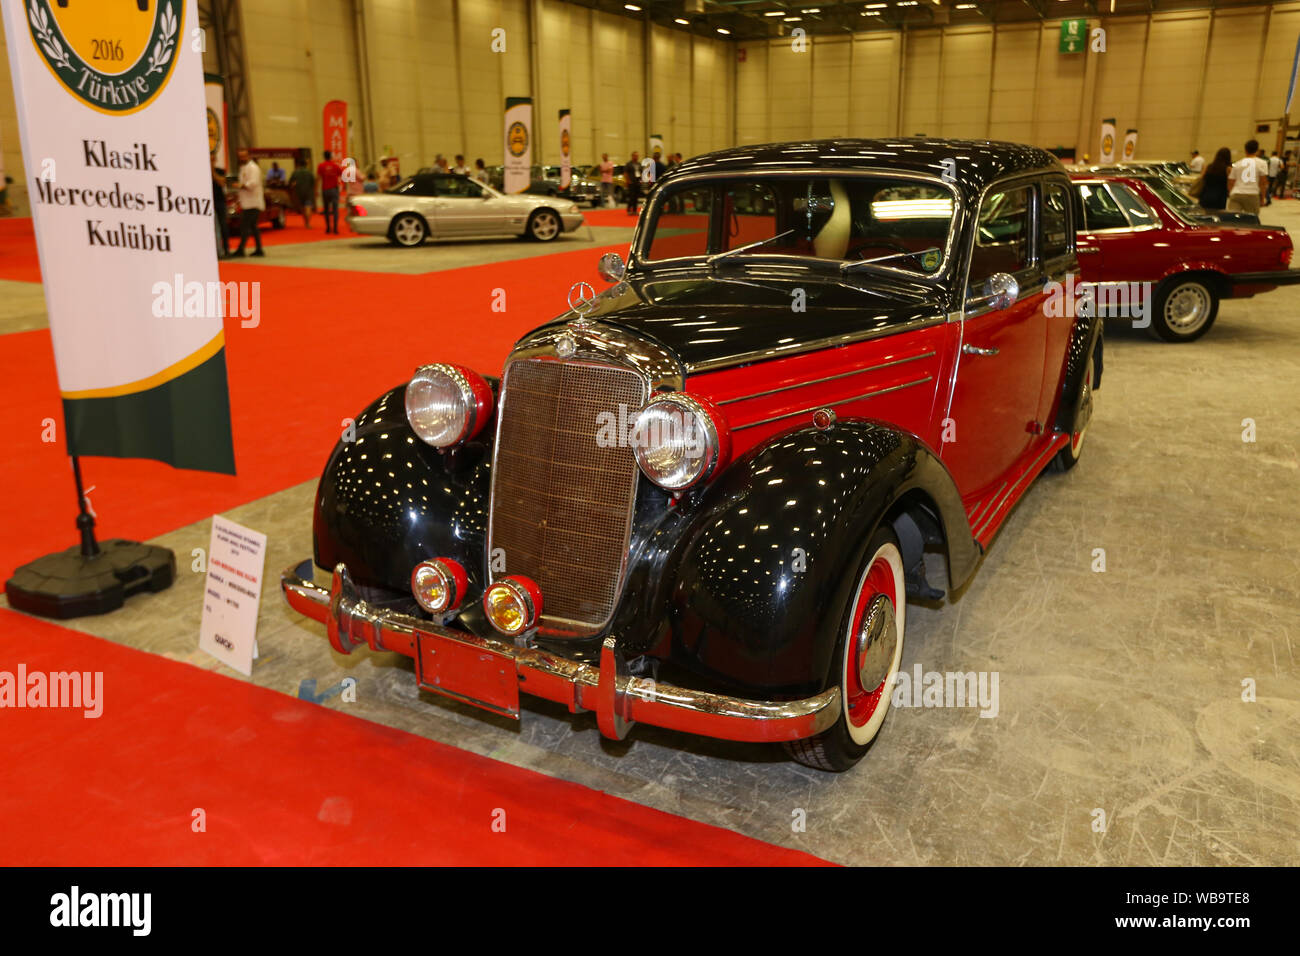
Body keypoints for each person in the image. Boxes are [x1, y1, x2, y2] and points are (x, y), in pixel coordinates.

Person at [233, 148, 265, 257]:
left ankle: (241, 249)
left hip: (253, 201)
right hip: (247, 201)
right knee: (252, 226)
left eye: (244, 156)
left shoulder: (253, 168)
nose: (242, 158)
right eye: (240, 156)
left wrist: (240, 185)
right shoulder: (243, 167)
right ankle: (259, 249)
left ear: (248, 156)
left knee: (245, 226)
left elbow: (253, 183)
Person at [1227, 139, 1268, 215]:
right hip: (1252, 194)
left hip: (1236, 194)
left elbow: (1231, 181)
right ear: (1257, 150)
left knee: (1232, 220)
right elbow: (1263, 182)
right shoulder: (1262, 163)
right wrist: (1262, 198)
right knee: (1251, 221)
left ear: (1245, 150)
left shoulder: (1238, 163)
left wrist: (1231, 193)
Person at [1195, 147, 1231, 212]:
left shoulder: (1209, 167)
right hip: (1220, 198)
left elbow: (1201, 178)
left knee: (1204, 216)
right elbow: (1229, 185)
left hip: (1205, 195)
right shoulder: (1228, 169)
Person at [317, 149, 342, 234]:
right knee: (335, 210)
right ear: (331, 156)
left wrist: (316, 190)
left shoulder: (321, 166)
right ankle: (335, 228)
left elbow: (318, 178)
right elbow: (341, 175)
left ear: (324, 156)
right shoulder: (335, 166)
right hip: (334, 190)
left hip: (325, 190)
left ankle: (328, 227)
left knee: (326, 210)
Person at [211, 155, 228, 257]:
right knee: (214, 227)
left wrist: (213, 172)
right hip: (210, 203)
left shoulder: (220, 171)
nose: (211, 161)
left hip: (220, 202)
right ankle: (217, 250)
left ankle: (226, 249)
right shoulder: (202, 172)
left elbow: (222, 182)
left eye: (213, 159)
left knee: (223, 226)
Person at [288, 159, 314, 227]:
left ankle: (305, 221)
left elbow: (290, 182)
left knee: (302, 208)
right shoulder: (309, 172)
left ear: (299, 164)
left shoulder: (295, 172)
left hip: (299, 192)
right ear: (306, 164)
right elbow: (313, 182)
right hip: (308, 192)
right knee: (308, 206)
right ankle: (308, 222)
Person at [624, 151, 641, 216]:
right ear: (632, 156)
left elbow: (641, 172)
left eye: (637, 156)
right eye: (635, 156)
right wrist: (628, 181)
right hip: (631, 182)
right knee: (631, 197)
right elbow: (625, 173)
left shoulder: (639, 164)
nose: (636, 157)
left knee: (636, 197)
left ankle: (634, 210)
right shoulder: (628, 164)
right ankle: (629, 210)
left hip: (637, 182)